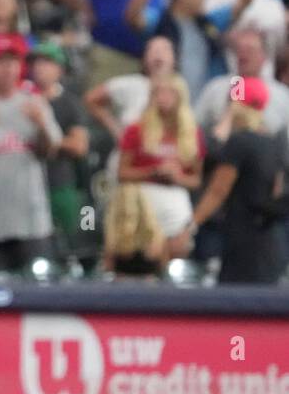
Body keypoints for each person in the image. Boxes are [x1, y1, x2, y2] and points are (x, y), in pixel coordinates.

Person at [0, 38, 63, 274]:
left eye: (12, 61)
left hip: (31, 220)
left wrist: (41, 126)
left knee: (37, 292)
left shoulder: (35, 104)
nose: (7, 68)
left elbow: (51, 151)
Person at [187, 77, 288, 284]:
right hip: (269, 240)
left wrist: (191, 224)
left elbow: (218, 190)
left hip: (243, 242)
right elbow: (276, 190)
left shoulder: (239, 142)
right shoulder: (274, 143)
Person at [116, 74, 204, 260]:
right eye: (159, 92)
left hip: (175, 195)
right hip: (141, 196)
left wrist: (177, 177)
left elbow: (196, 179)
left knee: (178, 250)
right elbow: (122, 173)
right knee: (144, 255)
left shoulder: (192, 133)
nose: (163, 97)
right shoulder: (136, 130)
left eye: (169, 92)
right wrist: (153, 172)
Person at [27, 41, 91, 256]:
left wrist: (50, 139)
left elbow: (79, 146)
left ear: (60, 69)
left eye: (47, 62)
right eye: (36, 62)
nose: (39, 67)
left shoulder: (69, 103)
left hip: (60, 182)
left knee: (69, 242)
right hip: (27, 184)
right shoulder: (24, 100)